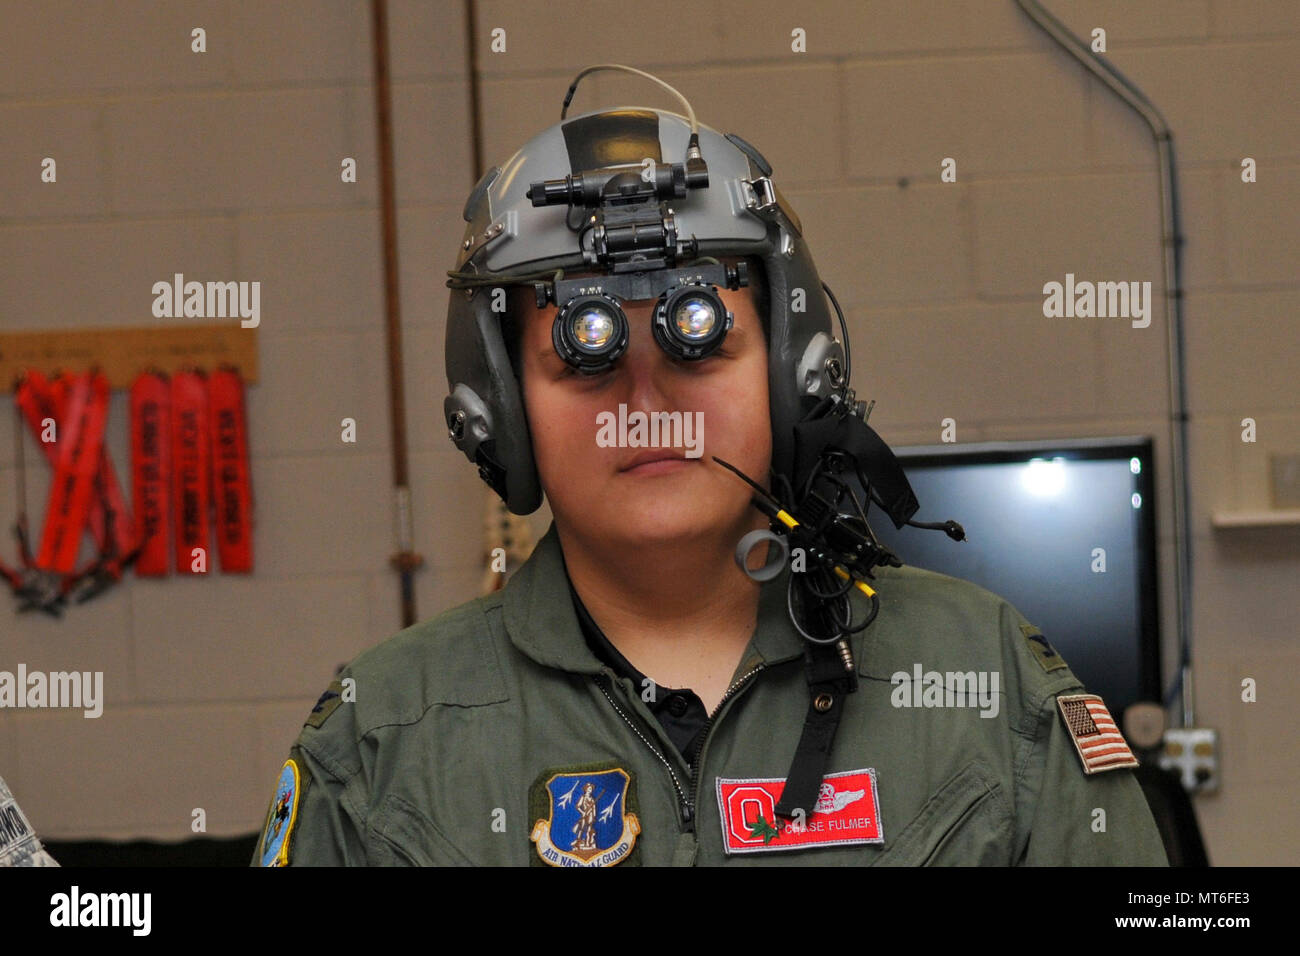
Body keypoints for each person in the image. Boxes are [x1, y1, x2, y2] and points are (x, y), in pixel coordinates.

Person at [252, 66, 1168, 867]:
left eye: (699, 345)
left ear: (790, 376)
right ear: (499, 409)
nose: (645, 406)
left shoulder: (982, 680)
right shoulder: (386, 736)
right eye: (586, 357)